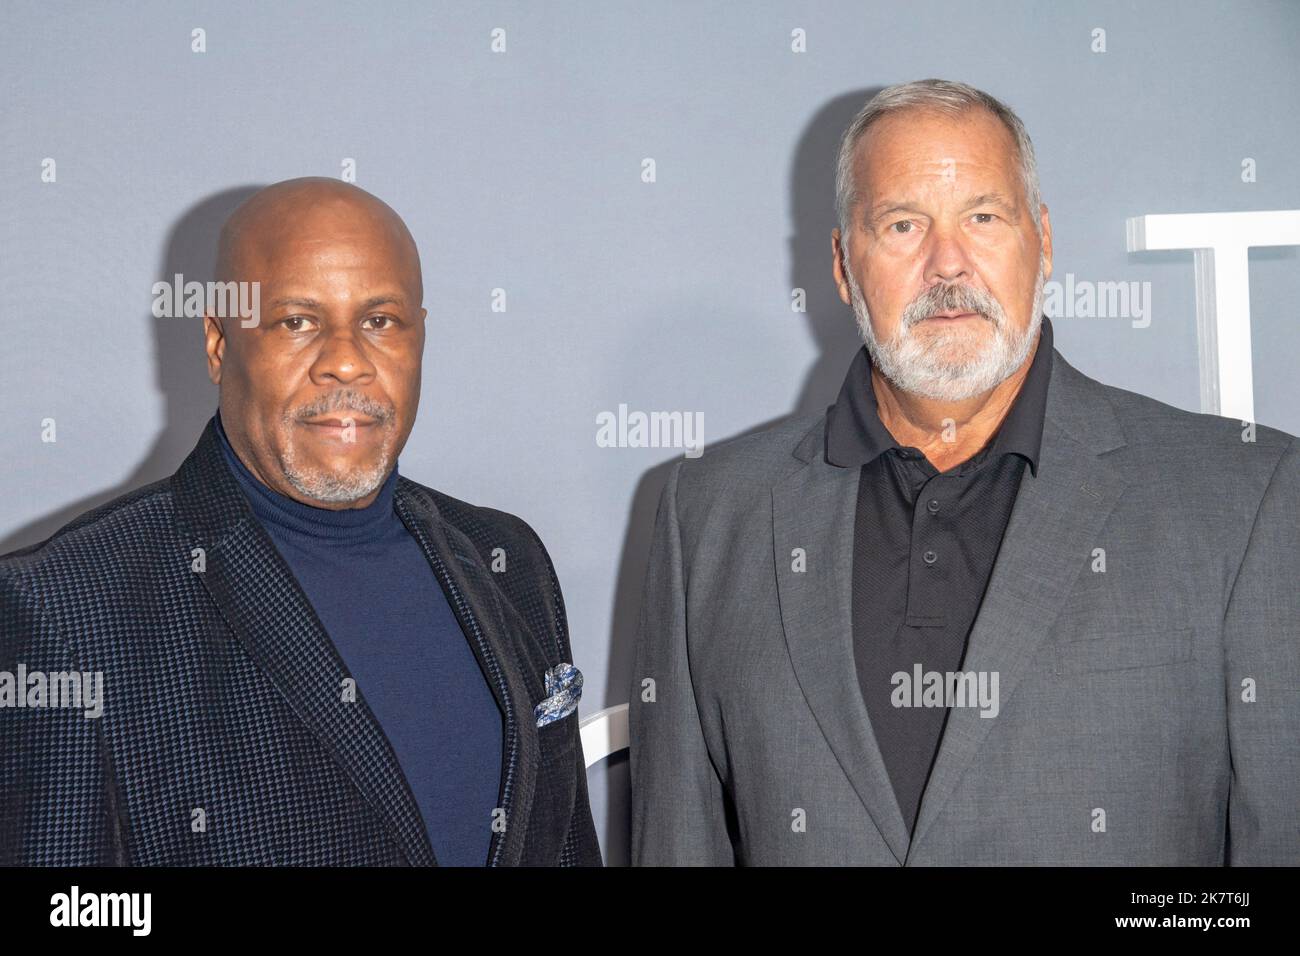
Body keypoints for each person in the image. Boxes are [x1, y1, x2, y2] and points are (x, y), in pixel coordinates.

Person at [629, 79, 1299, 866]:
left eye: (983, 217)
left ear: (1042, 242)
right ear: (845, 266)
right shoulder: (708, 514)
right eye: (903, 224)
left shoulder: (1246, 497)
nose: (948, 263)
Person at [0, 177, 600, 866]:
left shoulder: (505, 558)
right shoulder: (64, 607)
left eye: (380, 321)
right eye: (297, 321)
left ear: (420, 339)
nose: (346, 361)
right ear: (220, 343)